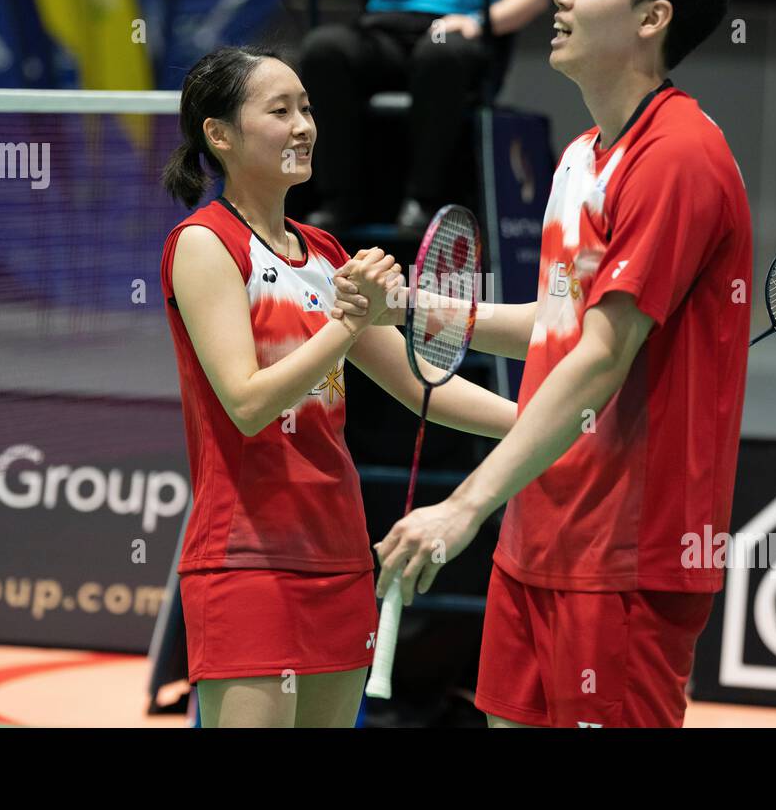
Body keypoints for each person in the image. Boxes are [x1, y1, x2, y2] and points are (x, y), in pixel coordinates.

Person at [337, 0, 751, 727]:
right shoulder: (581, 157)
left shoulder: (680, 156)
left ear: (651, 18)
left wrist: (464, 505)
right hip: (542, 527)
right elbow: (556, 323)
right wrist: (412, 308)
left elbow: (602, 353)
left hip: (627, 551)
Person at [159, 45, 516, 727]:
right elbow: (248, 403)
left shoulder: (324, 254)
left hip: (340, 552)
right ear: (220, 134)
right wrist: (347, 321)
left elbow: (419, 387)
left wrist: (539, 424)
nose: (304, 125)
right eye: (280, 110)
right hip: (247, 556)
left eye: (308, 108)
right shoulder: (205, 245)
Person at [300, 0, 556, 234]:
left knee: (440, 53)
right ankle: (339, 200)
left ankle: (424, 201)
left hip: (455, 29)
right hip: (384, 29)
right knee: (325, 49)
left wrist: (481, 23)